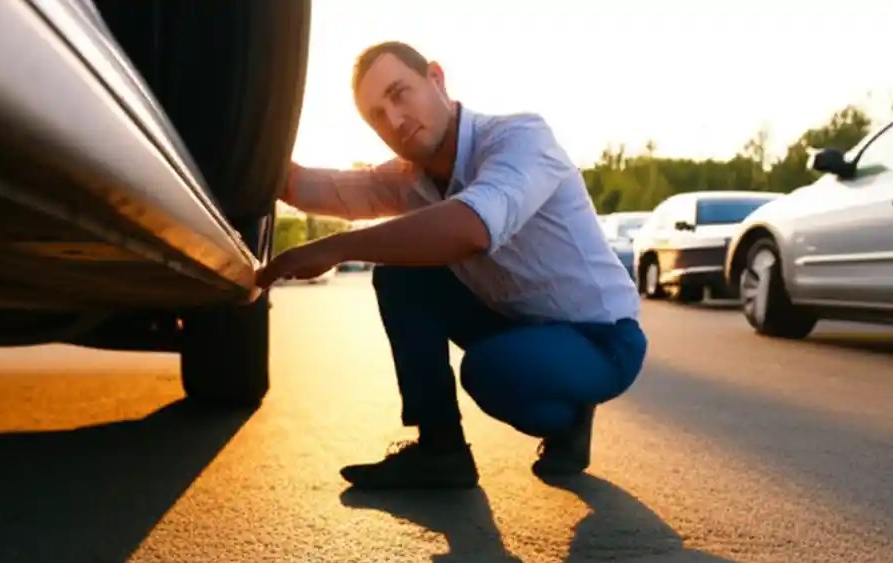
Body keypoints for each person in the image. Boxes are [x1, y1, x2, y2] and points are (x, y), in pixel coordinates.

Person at [256, 41, 647, 489]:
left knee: (489, 371)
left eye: (400, 93)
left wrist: (337, 248)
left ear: (436, 79)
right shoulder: (410, 176)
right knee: (401, 272)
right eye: (377, 116)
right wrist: (236, 147)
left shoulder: (520, 139)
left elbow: (473, 227)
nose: (396, 121)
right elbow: (314, 187)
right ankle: (440, 451)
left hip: (601, 339)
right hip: (519, 325)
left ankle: (571, 415)